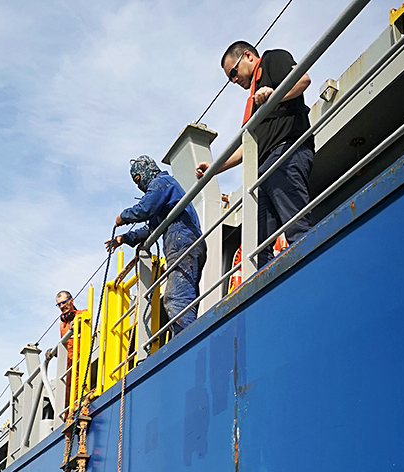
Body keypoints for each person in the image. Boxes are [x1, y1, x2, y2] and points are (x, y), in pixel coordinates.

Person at [196, 42, 315, 269]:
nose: (233, 80)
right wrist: (213, 169)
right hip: (264, 171)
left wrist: (273, 96)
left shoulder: (272, 60)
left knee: (296, 227)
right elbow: (247, 148)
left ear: (248, 56)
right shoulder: (252, 101)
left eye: (233, 72)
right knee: (258, 247)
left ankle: (311, 272)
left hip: (285, 153)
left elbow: (303, 80)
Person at [106, 155, 206, 336]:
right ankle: (188, 337)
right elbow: (150, 229)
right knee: (184, 293)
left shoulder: (161, 183)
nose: (138, 185)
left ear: (145, 172)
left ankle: (185, 341)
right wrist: (124, 239)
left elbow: (145, 209)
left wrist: (124, 216)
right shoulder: (166, 193)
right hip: (186, 242)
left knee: (176, 298)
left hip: (181, 242)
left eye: (137, 179)